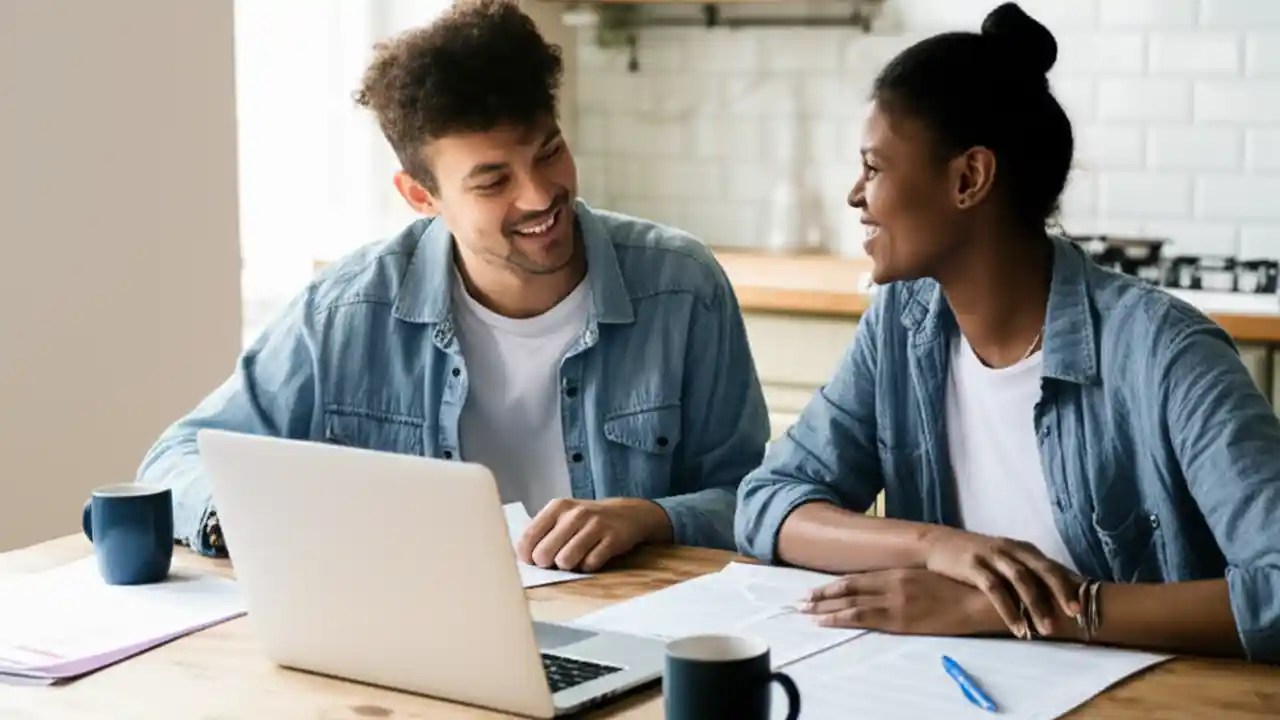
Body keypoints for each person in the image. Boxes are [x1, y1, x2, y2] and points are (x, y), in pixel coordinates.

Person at [735, 2, 1280, 664]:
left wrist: (1021, 610)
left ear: (969, 178)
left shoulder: (1166, 355)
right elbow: (769, 501)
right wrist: (935, 547)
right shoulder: (902, 323)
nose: (856, 195)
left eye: (874, 168)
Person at [139, 0, 768, 571]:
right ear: (421, 196)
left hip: (631, 622)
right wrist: (237, 519)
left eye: (548, 152)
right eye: (493, 182)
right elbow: (175, 460)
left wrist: (650, 518)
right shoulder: (347, 311)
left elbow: (753, 499)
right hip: (419, 625)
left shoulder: (681, 287)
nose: (540, 195)